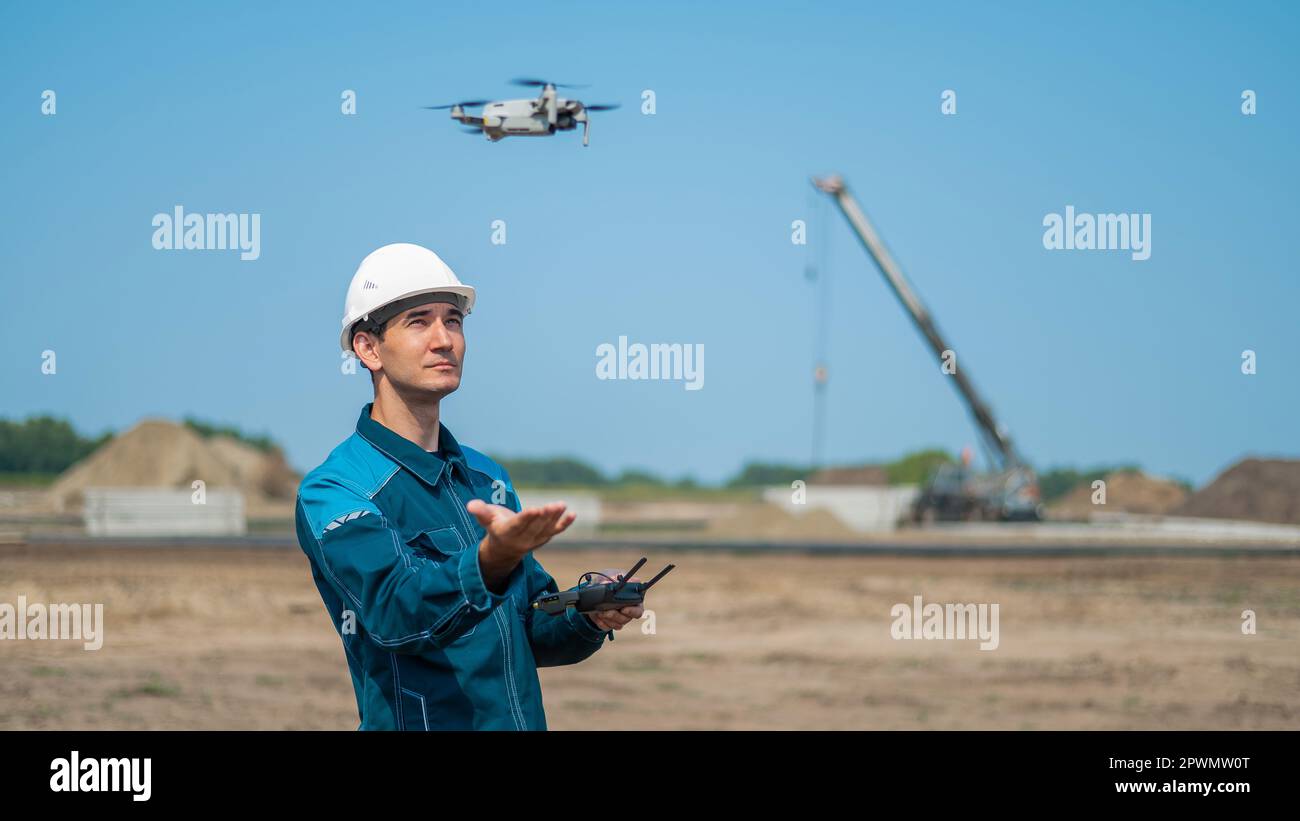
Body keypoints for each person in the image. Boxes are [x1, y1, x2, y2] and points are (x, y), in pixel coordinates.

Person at [294, 242, 642, 730]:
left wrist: (586, 612)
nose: (444, 340)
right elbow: (397, 614)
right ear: (368, 347)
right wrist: (488, 563)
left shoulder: (486, 477)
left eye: (453, 320)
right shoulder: (336, 491)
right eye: (419, 321)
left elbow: (528, 630)